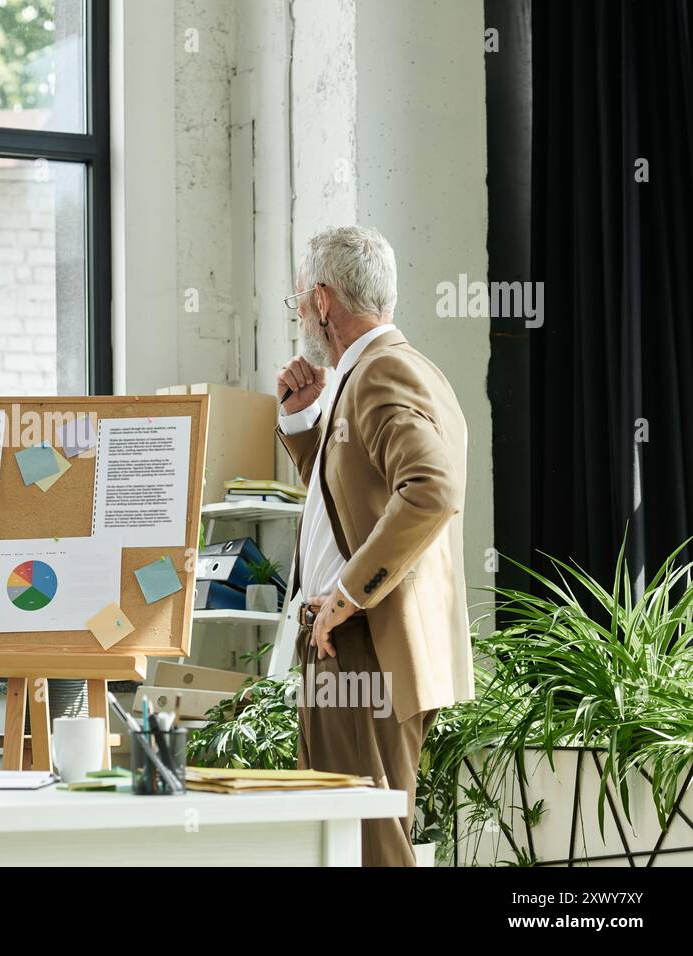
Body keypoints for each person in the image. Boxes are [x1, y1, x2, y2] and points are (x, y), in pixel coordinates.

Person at [275, 225, 474, 866]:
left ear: (324, 302)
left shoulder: (380, 372)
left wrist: (347, 595)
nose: (301, 313)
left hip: (361, 646)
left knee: (364, 846)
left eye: (300, 300)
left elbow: (431, 490)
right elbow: (348, 506)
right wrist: (304, 422)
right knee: (340, 840)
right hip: (353, 642)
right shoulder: (375, 372)